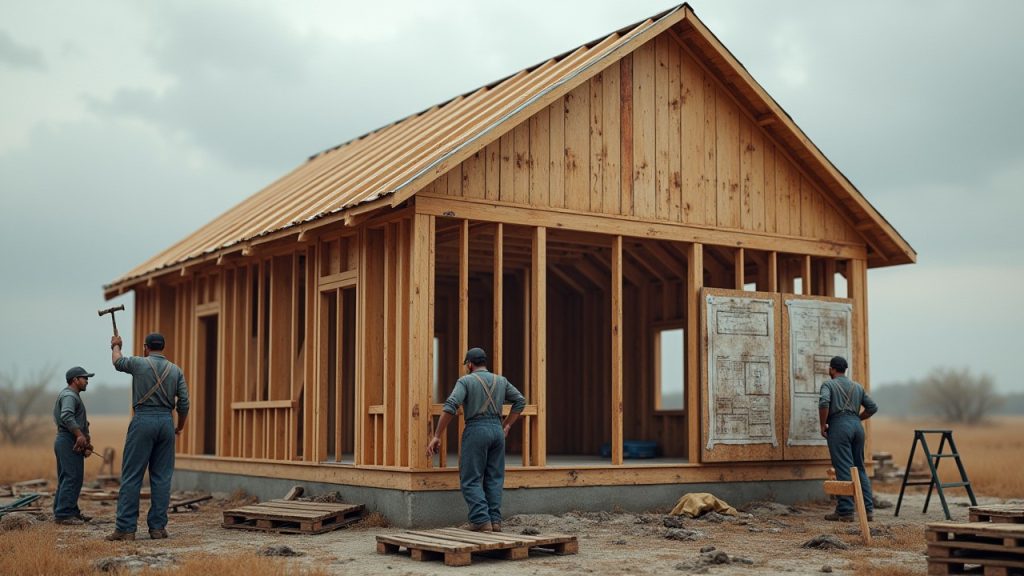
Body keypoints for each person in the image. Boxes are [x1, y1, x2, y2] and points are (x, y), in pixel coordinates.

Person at [426, 347, 526, 532]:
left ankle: (480, 519)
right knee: (494, 478)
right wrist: (507, 425)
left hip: (476, 429)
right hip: (497, 431)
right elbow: (520, 401)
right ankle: (495, 521)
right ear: (484, 363)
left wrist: (437, 435)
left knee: (471, 478)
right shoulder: (501, 380)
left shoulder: (465, 381)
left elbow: (450, 406)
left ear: (470, 364)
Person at [106, 332, 189, 541]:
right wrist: (179, 426)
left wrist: (116, 346)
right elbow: (184, 403)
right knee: (162, 478)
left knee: (132, 476)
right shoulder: (175, 370)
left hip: (143, 420)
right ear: (163, 347)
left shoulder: (138, 363)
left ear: (145, 347)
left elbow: (117, 362)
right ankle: (158, 529)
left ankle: (125, 529)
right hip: (166, 423)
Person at [819, 355, 878, 522]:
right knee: (859, 468)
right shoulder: (857, 387)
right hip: (857, 428)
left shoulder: (828, 384)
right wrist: (857, 419)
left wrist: (823, 425)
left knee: (843, 468)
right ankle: (867, 510)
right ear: (845, 370)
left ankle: (845, 511)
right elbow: (872, 407)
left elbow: (824, 402)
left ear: (831, 369)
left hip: (838, 426)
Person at [53, 366, 95, 525]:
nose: (87, 380)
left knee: (68, 476)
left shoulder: (70, 395)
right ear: (75, 380)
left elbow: (74, 418)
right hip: (68, 440)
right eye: (84, 378)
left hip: (67, 439)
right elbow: (67, 415)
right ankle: (64, 514)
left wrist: (85, 436)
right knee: (72, 476)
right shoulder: (70, 395)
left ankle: (69, 510)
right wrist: (79, 435)